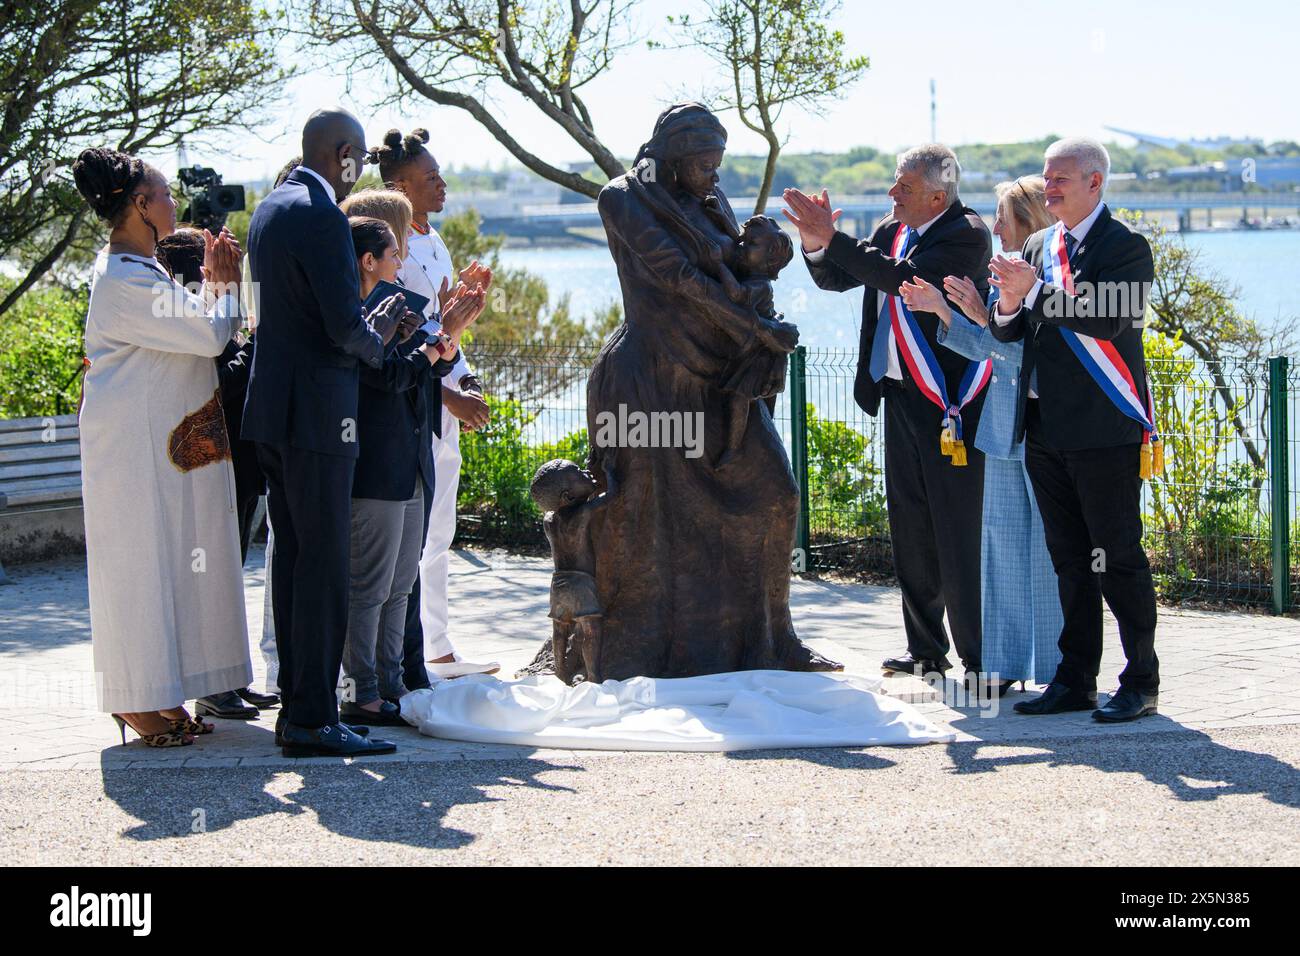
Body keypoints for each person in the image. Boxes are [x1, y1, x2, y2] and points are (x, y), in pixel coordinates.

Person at [584, 102, 835, 678]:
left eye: (718, 164)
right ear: (672, 159)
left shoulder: (711, 200)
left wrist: (761, 319)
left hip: (720, 379)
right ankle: (633, 648)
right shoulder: (622, 197)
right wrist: (758, 329)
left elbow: (744, 264)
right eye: (703, 163)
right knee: (644, 516)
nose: (714, 176)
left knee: (775, 494)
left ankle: (772, 638)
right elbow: (676, 275)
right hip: (650, 380)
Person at [784, 144, 993, 684]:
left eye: (903, 186)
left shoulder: (966, 232)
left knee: (957, 530)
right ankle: (926, 650)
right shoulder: (892, 228)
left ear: (938, 195)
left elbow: (901, 279)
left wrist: (837, 241)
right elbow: (839, 277)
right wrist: (815, 243)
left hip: (951, 403)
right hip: (899, 395)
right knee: (911, 529)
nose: (891, 194)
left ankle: (981, 658)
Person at [242, 107, 408, 758]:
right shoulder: (320, 215)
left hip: (276, 412)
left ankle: (298, 709)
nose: (362, 169)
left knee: (294, 563)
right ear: (340, 152)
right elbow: (343, 326)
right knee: (325, 568)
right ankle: (313, 719)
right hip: (319, 414)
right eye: (360, 159)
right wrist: (383, 340)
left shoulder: (270, 207)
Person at [73, 146, 252, 747]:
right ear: (143, 206)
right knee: (138, 568)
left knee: (172, 562)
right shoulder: (123, 277)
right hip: (131, 453)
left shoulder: (138, 270)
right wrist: (223, 286)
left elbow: (191, 333)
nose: (176, 202)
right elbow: (206, 337)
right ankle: (135, 699)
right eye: (166, 194)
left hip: (157, 448)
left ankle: (163, 691)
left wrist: (213, 288)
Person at [988, 137, 1160, 723]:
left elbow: (1110, 319)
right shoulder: (1038, 244)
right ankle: (1075, 678)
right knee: (1069, 562)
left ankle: (1141, 679)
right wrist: (1008, 305)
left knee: (1115, 558)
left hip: (1103, 429)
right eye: (1046, 177)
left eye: (1061, 178)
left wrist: (1031, 291)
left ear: (1095, 183)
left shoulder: (1125, 248)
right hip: (1044, 428)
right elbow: (1012, 332)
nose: (1050, 186)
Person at [898, 176, 1063, 696]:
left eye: (1002, 219)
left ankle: (1061, 670)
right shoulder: (999, 282)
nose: (994, 228)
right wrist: (950, 311)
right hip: (1000, 431)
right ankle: (1004, 664)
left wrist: (970, 313)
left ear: (1028, 221)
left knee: (1049, 555)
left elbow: (1028, 355)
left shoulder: (1055, 281)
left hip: (1045, 432)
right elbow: (987, 349)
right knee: (1001, 552)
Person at [337, 213, 485, 726]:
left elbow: (429, 365)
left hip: (412, 455)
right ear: (368, 259)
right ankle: (360, 690)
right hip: (375, 460)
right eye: (394, 253)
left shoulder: (402, 304)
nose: (403, 260)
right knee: (370, 587)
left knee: (401, 584)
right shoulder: (354, 313)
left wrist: (448, 338)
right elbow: (384, 374)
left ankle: (393, 681)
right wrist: (426, 351)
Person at [375, 127, 499, 681]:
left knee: (440, 529)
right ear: (399, 186)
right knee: (415, 534)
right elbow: (398, 336)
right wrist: (445, 395)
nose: (442, 184)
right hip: (415, 401)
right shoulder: (389, 249)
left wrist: (465, 380)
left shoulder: (433, 237)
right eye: (430, 178)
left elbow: (444, 327)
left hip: (441, 391)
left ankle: (438, 645)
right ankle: (412, 651)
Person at [155, 228, 279, 718]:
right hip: (210, 468)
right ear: (197, 272)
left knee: (228, 577)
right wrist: (252, 350)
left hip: (238, 469)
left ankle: (229, 677)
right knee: (207, 581)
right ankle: (212, 686)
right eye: (221, 264)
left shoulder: (212, 313)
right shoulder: (187, 319)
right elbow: (213, 383)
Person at [530, 458, 618, 684]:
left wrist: (584, 483)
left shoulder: (549, 520)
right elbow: (611, 496)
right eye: (579, 473)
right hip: (581, 584)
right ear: (568, 496)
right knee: (591, 629)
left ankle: (560, 671)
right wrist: (608, 471)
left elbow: (577, 499)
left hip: (558, 583)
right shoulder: (583, 513)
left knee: (560, 630)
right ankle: (594, 676)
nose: (586, 472)